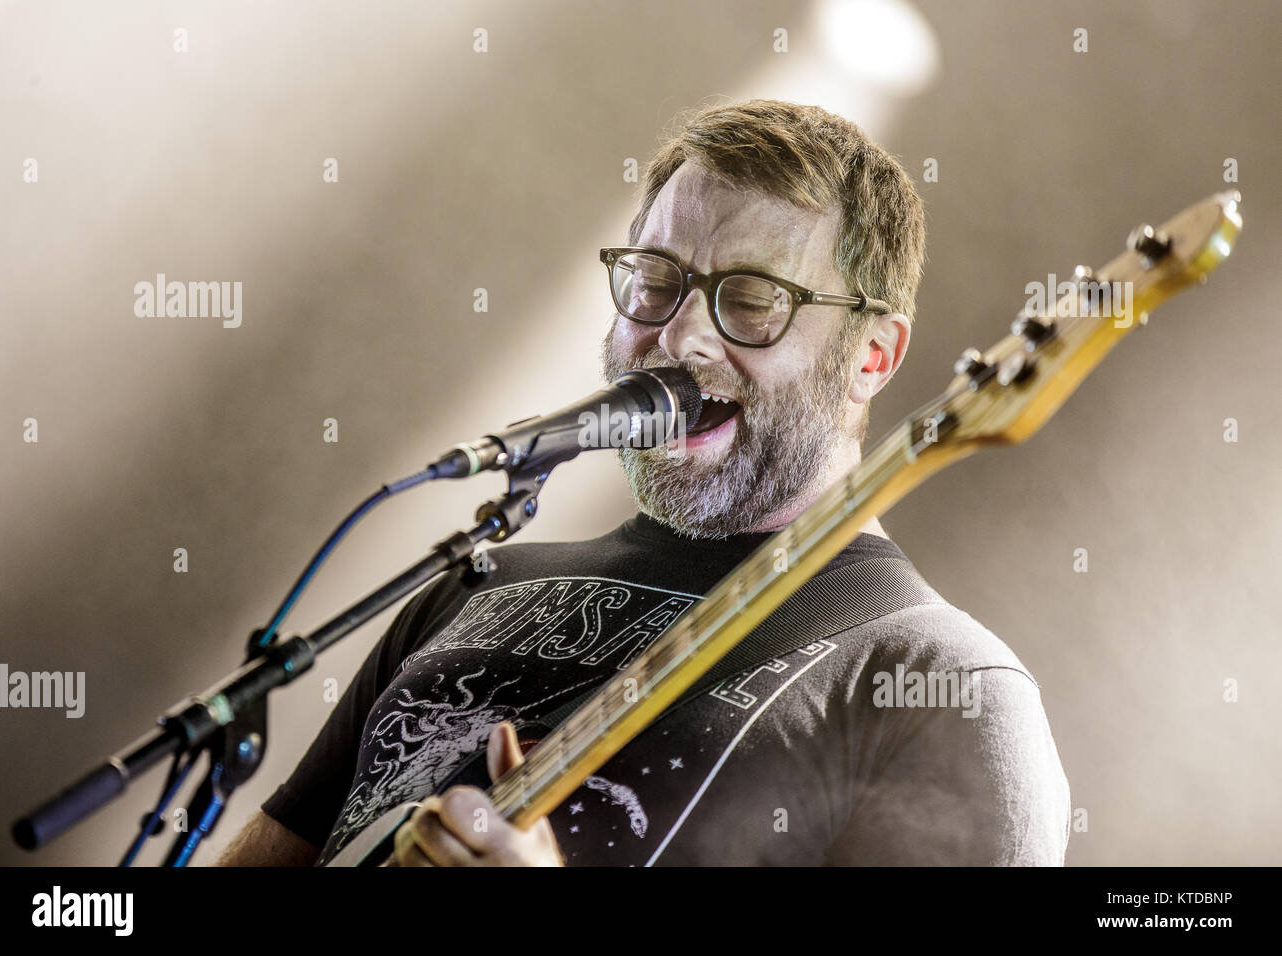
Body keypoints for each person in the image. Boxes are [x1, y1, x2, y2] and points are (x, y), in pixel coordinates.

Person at [218, 99, 1071, 867]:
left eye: (752, 299)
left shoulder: (944, 690)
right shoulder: (467, 591)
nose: (682, 336)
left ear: (872, 356)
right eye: (657, 283)